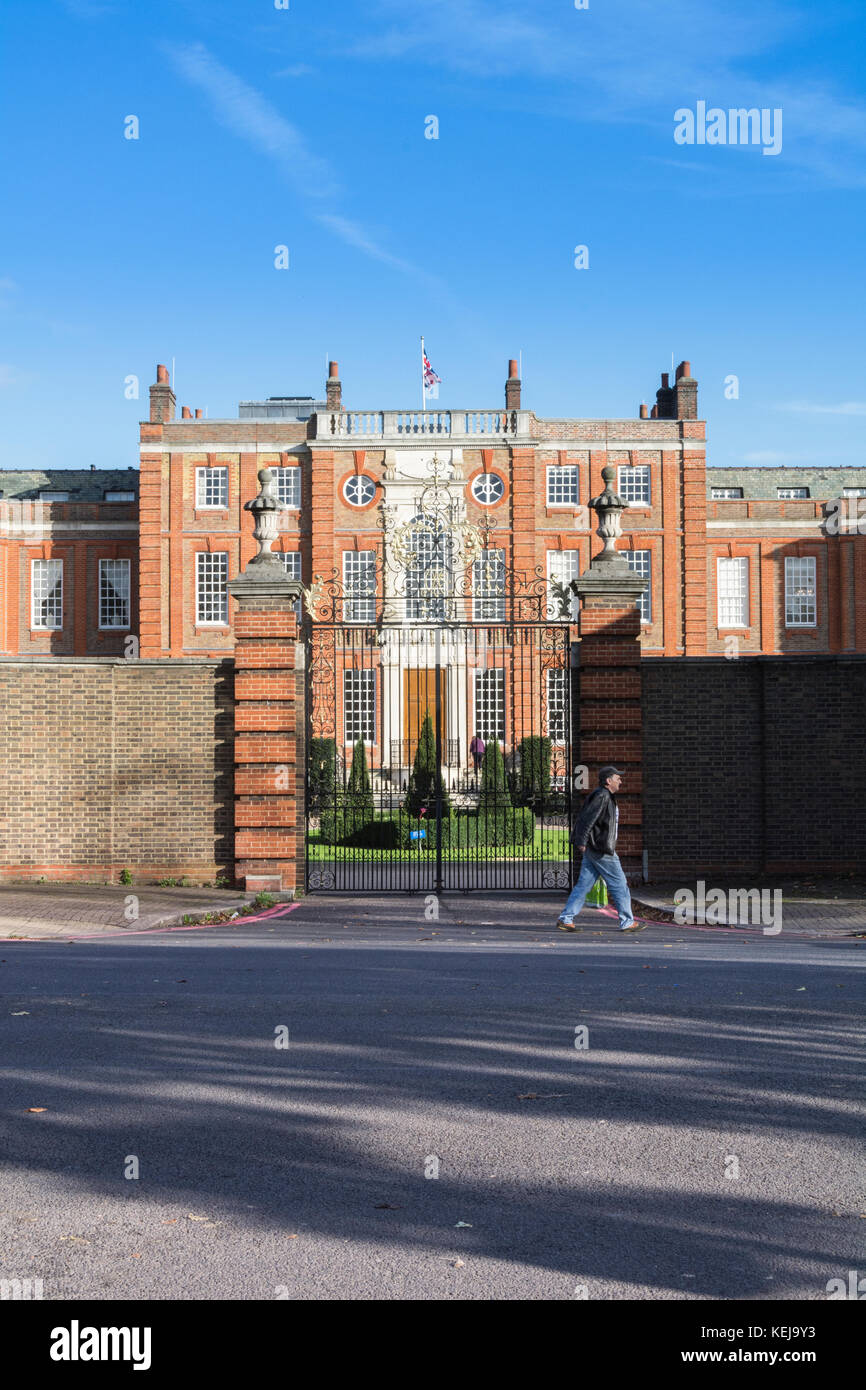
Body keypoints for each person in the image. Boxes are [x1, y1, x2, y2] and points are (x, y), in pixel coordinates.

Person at [556, 765, 644, 933]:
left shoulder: (604, 795)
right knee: (619, 884)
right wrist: (581, 841)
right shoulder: (602, 796)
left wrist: (584, 842)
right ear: (608, 781)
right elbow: (586, 819)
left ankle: (566, 918)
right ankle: (627, 921)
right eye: (617, 778)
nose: (621, 780)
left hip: (595, 848)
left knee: (583, 885)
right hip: (602, 849)